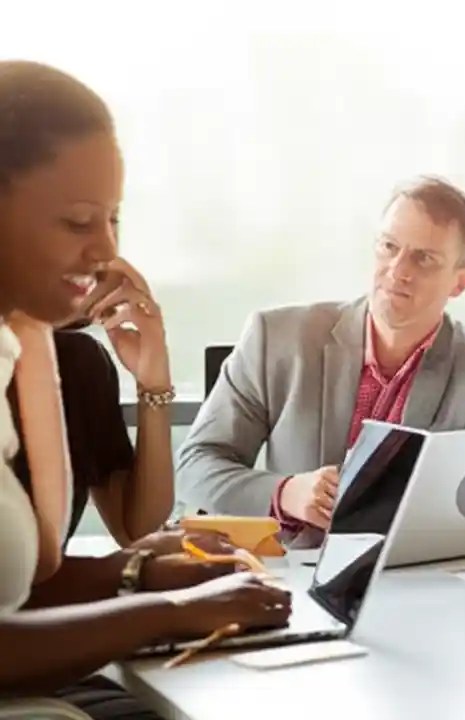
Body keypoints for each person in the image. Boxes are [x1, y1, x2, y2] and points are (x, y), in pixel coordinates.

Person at [0, 59, 288, 713]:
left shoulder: (31, 354)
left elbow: (39, 581)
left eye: (113, 220)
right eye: (78, 222)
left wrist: (137, 571)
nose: (106, 250)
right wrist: (168, 609)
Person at [177, 176, 465, 540]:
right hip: (296, 569)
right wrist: (284, 493)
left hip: (419, 571)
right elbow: (196, 466)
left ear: (461, 282)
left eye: (424, 258)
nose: (398, 270)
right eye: (389, 246)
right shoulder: (276, 340)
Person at [9, 257, 176, 548]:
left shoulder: (77, 361)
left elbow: (137, 529)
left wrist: (153, 381)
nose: (106, 250)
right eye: (77, 229)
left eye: (112, 230)